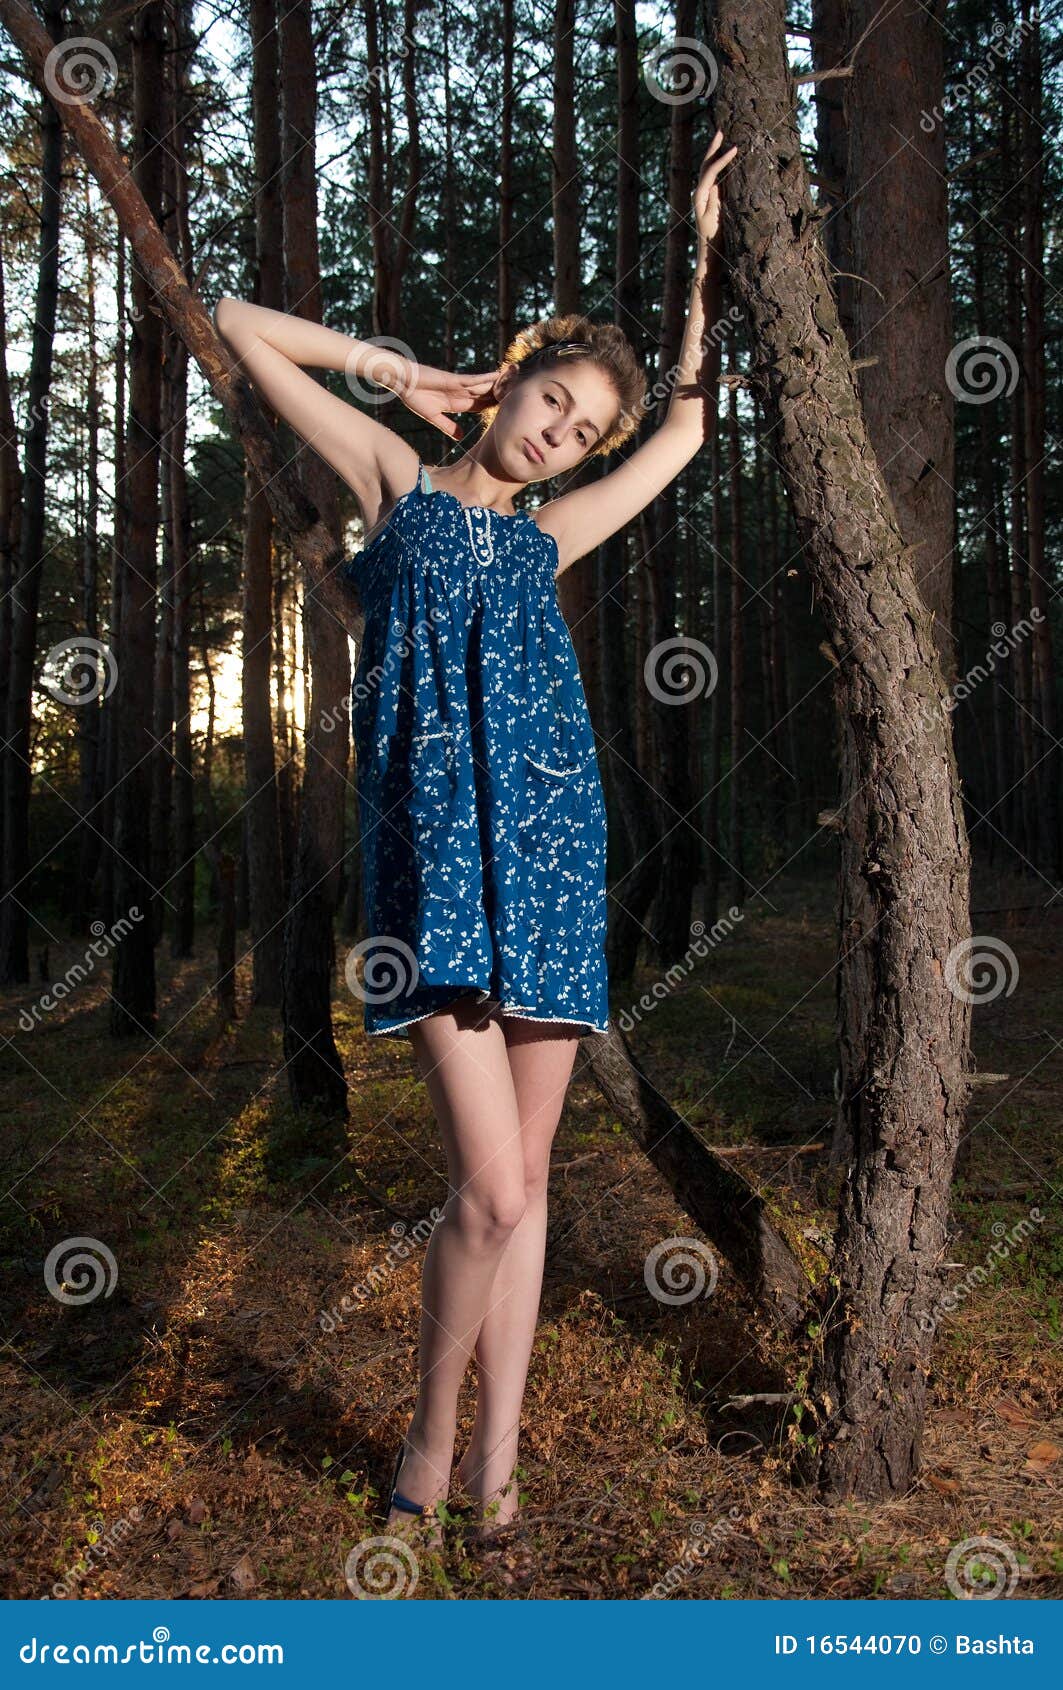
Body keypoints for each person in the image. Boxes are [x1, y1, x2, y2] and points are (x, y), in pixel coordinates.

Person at [214, 130, 736, 1551]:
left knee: (530, 1184)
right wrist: (392, 369)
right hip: (432, 869)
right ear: (509, 380)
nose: (559, 435)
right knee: (490, 1186)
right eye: (552, 402)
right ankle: (430, 1437)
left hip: (557, 862)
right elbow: (237, 326)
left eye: (580, 430)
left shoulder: (553, 534)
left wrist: (703, 256)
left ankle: (501, 1462)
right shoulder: (393, 479)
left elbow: (687, 429)